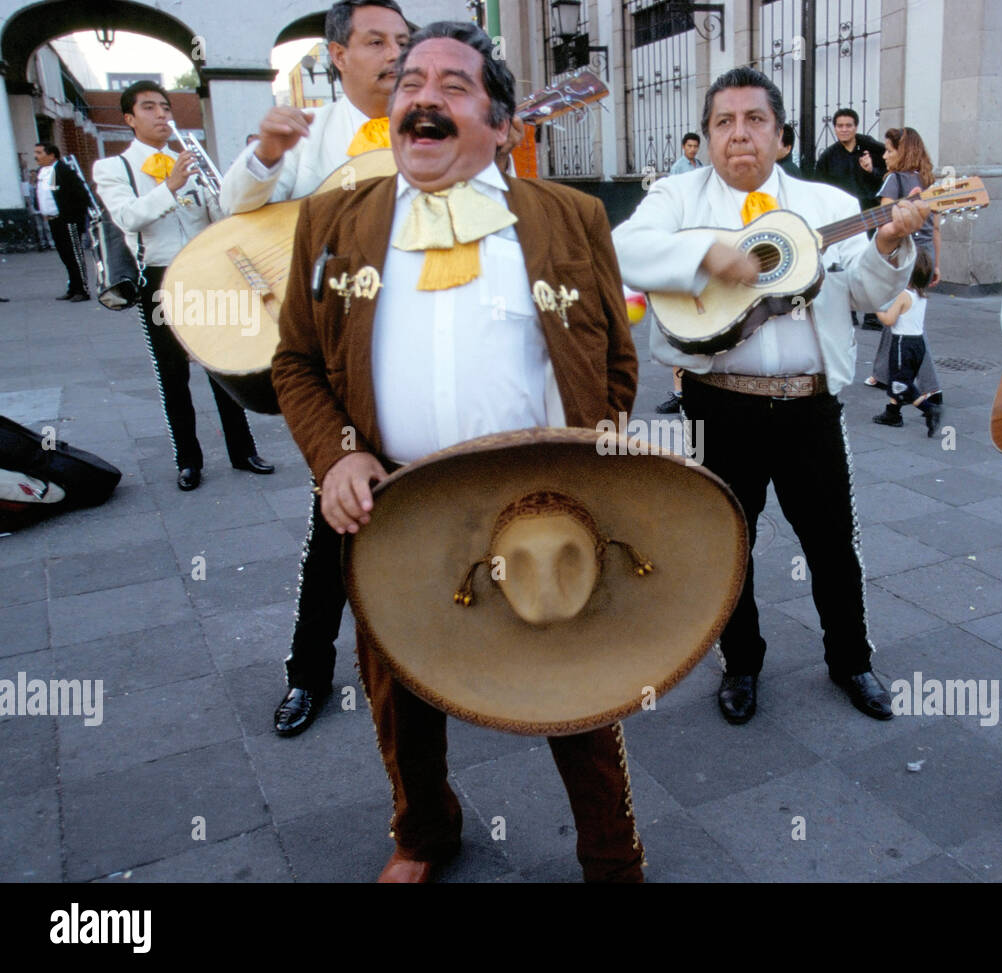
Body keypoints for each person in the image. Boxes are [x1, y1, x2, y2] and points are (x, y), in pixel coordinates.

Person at [271, 20, 642, 882]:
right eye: (409, 83)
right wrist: (336, 458)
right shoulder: (330, 219)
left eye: (453, 85)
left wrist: (593, 450)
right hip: (394, 501)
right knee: (400, 692)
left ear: (503, 124)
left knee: (578, 687)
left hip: (543, 498)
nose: (424, 98)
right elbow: (293, 359)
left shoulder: (570, 216)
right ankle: (424, 834)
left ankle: (612, 854)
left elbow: (615, 360)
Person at [613, 66, 926, 725]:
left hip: (810, 402)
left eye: (755, 120)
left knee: (833, 541)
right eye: (723, 122)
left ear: (781, 136)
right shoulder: (677, 197)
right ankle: (742, 662)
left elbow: (869, 295)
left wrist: (891, 244)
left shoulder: (830, 207)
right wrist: (710, 258)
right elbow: (623, 250)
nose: (739, 134)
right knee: (729, 539)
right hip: (715, 400)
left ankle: (851, 660)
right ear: (706, 134)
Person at [221, 0, 410, 738]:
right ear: (338, 55)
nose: (393, 53)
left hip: (416, 348)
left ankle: (456, 659)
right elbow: (240, 203)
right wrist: (267, 152)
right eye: (375, 41)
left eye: (403, 40)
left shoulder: (432, 124)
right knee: (335, 519)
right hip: (336, 359)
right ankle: (308, 672)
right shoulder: (314, 134)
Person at [93, 82, 274, 492]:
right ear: (129, 119)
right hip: (157, 276)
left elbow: (216, 217)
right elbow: (127, 218)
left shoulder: (185, 161)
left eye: (165, 107)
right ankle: (188, 460)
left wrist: (220, 197)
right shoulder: (114, 169)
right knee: (172, 372)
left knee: (221, 363)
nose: (162, 115)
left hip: (205, 272)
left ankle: (243, 451)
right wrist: (170, 187)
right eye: (150, 108)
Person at [864, 126, 943, 426]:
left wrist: (879, 260)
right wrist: (937, 264)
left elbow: (886, 225)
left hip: (903, 255)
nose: (884, 156)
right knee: (904, 316)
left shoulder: (894, 180)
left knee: (906, 321)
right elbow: (935, 228)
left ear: (903, 151)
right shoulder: (927, 181)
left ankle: (931, 389)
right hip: (925, 255)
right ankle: (883, 374)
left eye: (888, 150)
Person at [869, 250, 941, 436]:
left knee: (902, 384)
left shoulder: (903, 295)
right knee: (901, 378)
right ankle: (892, 412)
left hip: (902, 343)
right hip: (918, 344)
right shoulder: (921, 294)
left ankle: (929, 409)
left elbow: (889, 320)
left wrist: (876, 307)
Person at [33, 143, 91, 301]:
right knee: (65, 255)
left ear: (52, 155)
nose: (35, 156)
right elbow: (50, 194)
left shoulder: (64, 171)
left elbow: (81, 195)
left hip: (69, 221)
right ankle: (73, 287)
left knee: (75, 255)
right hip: (54, 221)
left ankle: (82, 290)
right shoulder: (44, 172)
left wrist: (72, 216)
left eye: (39, 152)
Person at [813, 107, 885, 210]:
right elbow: (820, 187)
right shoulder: (828, 156)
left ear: (856, 127)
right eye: (840, 126)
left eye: (849, 125)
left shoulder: (871, 147)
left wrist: (872, 170)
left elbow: (887, 175)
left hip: (870, 210)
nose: (844, 130)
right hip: (842, 211)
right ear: (835, 128)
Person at [22, 169, 55, 251]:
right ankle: (42, 243)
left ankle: (51, 243)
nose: (33, 177)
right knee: (39, 227)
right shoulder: (29, 186)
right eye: (31, 175)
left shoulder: (41, 184)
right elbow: (28, 199)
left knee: (47, 227)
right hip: (36, 209)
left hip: (43, 208)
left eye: (35, 175)